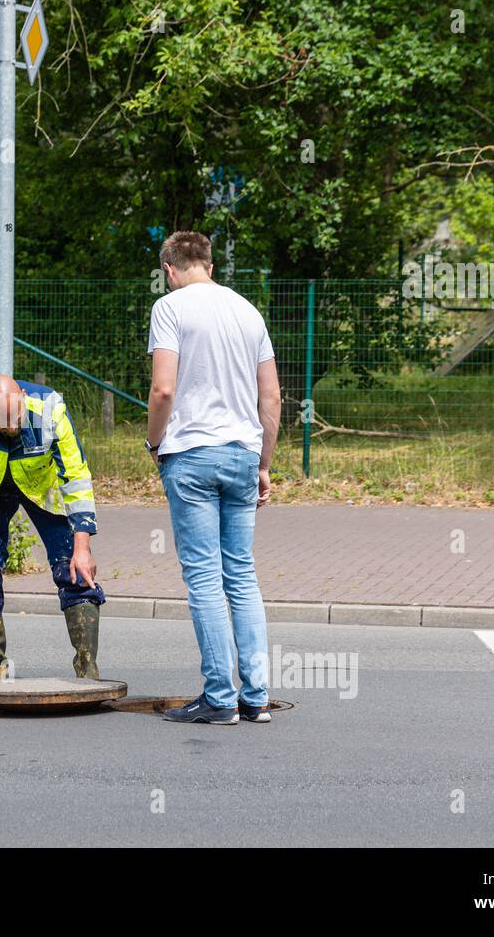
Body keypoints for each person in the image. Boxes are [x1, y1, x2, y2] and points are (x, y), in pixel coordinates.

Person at [145, 231, 282, 725]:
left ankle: (220, 698)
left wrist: (155, 444)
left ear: (170, 269)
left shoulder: (171, 308)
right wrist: (263, 463)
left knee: (203, 577)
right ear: (209, 263)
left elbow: (163, 389)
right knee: (241, 575)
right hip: (243, 453)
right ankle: (257, 697)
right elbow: (272, 399)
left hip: (192, 455)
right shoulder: (248, 311)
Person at [0, 375, 105, 680]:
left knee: (75, 569)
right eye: (0, 421)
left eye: (15, 417)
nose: (9, 426)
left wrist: (82, 545)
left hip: (41, 487)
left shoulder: (51, 407)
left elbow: (76, 475)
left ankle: (87, 666)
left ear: (21, 396)